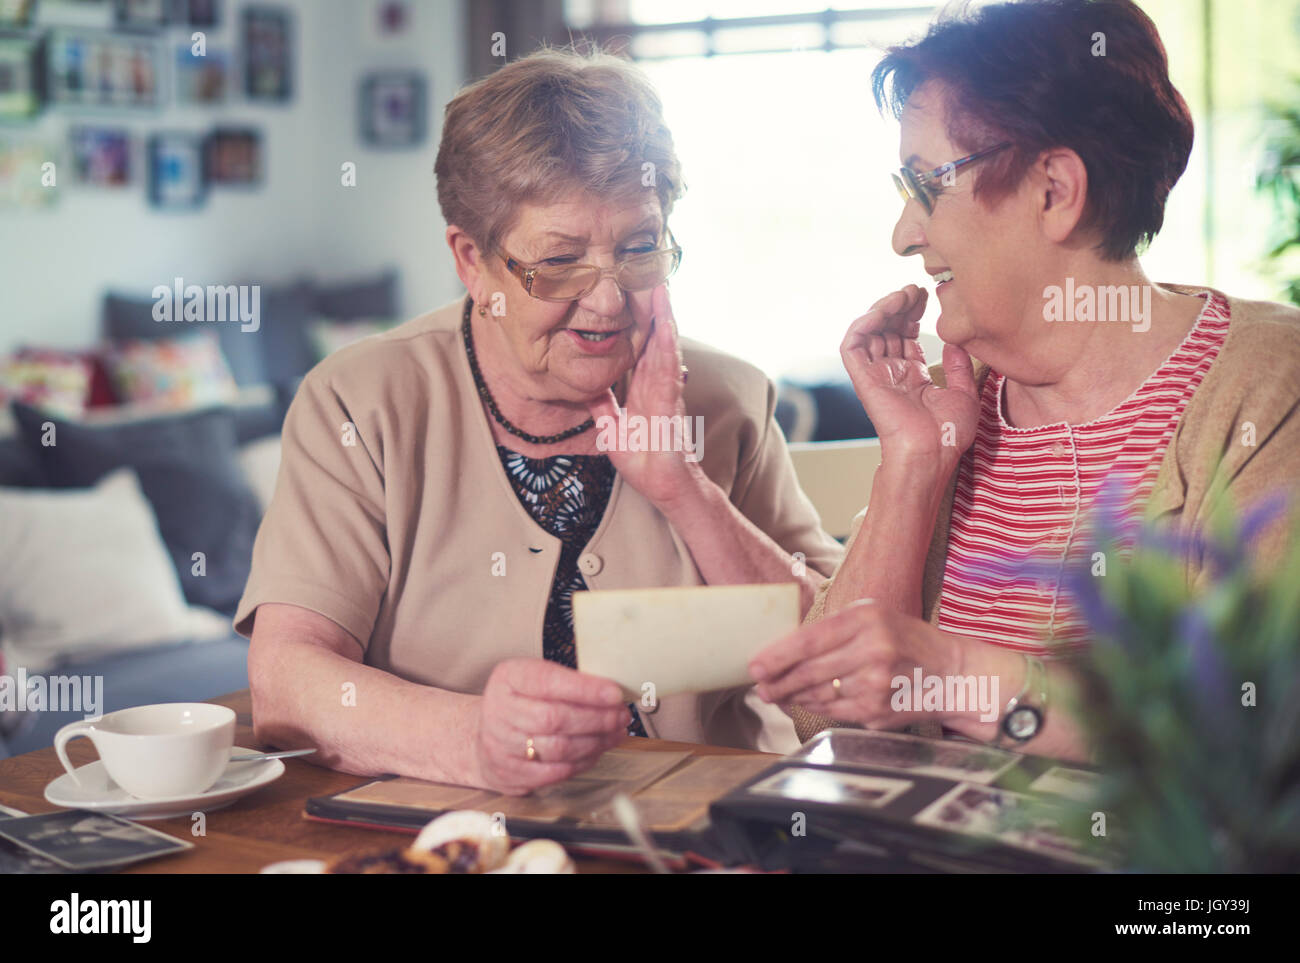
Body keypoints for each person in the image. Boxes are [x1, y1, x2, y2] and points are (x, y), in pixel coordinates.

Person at [236, 48, 844, 795]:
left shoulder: (728, 399)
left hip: (707, 834)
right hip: (457, 836)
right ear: (471, 259)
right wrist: (473, 741)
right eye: (559, 261)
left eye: (639, 247)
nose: (608, 300)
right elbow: (287, 680)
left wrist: (687, 489)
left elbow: (841, 675)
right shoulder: (360, 404)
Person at [749, 0, 1300, 761]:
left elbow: (1252, 728)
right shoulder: (950, 404)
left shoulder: (1269, 383)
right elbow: (828, 718)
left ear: (1054, 190)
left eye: (925, 185)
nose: (904, 233)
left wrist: (953, 675)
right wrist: (914, 465)